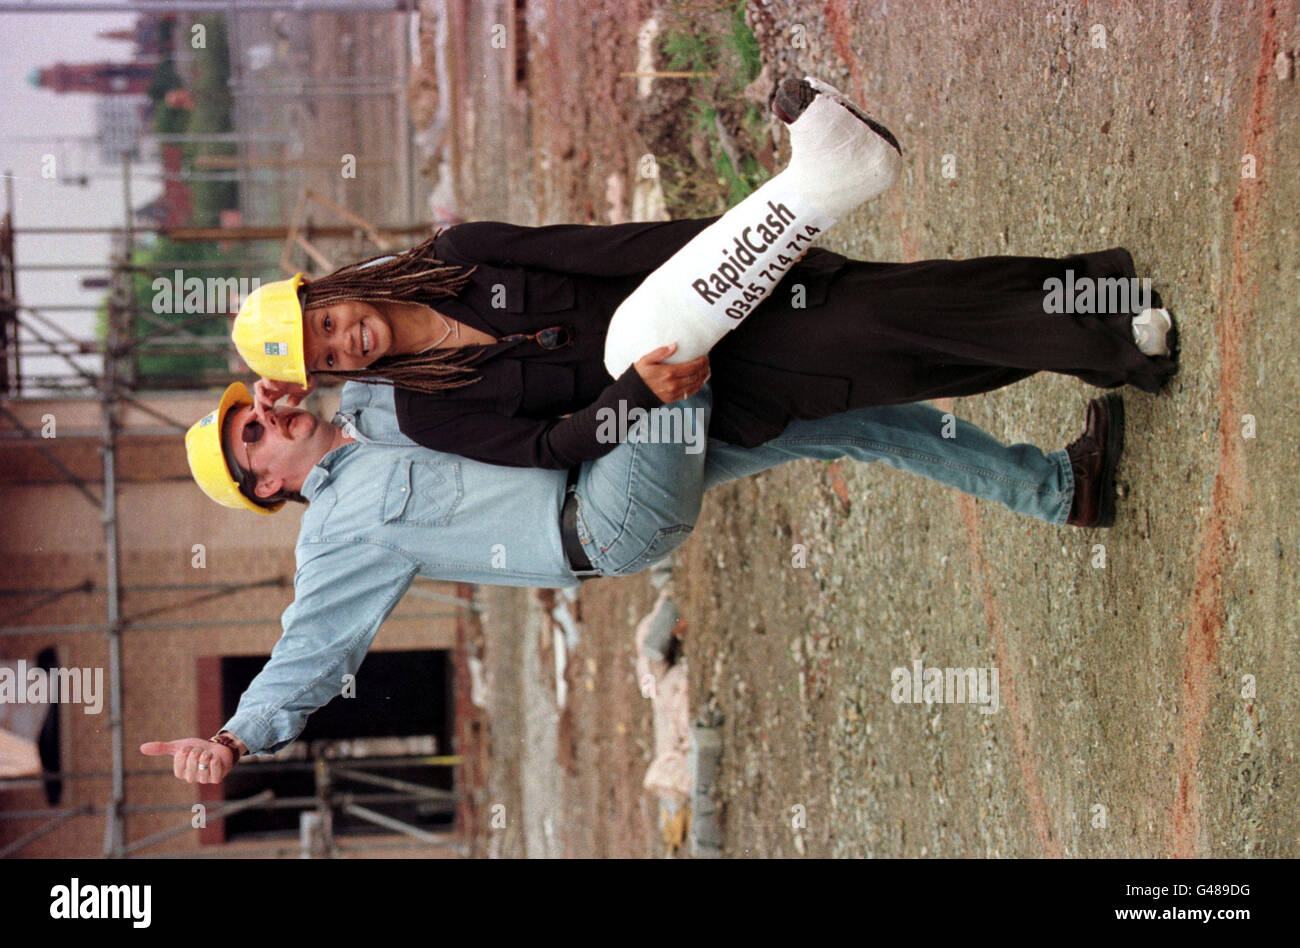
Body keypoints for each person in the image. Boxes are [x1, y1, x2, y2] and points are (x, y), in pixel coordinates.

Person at [143, 378, 1122, 783]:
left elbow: (399, 333)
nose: (266, 421)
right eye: (252, 439)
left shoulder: (366, 402)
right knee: (678, 363)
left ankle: (1055, 488)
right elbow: (311, 653)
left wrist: (295, 358)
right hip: (603, 518)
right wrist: (235, 737)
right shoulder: (339, 543)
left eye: (253, 412)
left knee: (829, 419)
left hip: (604, 449)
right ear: (267, 485)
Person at [230, 78, 1178, 473]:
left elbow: (607, 248)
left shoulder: (459, 257)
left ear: (335, 291)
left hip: (725, 286)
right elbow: (552, 450)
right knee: (906, 359)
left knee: (905, 306)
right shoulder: (434, 415)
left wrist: (756, 237)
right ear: (337, 374)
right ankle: (1092, 326)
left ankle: (1101, 318)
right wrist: (634, 397)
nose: (342, 338)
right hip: (713, 387)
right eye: (326, 355)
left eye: (326, 320)